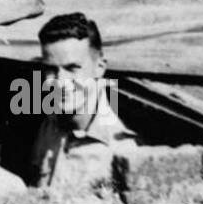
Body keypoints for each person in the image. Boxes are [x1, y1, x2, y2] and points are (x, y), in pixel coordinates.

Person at [30, 12, 137, 192]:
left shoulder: (121, 148)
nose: (60, 82)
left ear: (99, 68)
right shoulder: (49, 125)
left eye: (72, 68)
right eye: (50, 70)